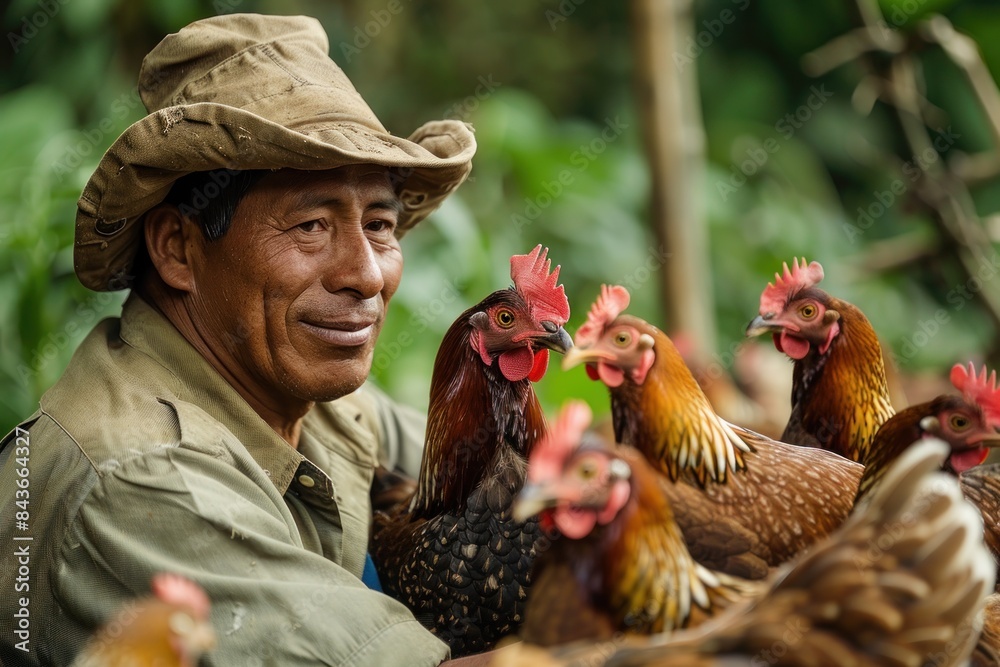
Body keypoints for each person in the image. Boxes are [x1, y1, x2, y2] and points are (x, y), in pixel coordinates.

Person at [0, 13, 493, 666]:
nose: (367, 275)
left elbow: (510, 476)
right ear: (178, 248)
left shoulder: (301, 392)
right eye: (311, 225)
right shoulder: (140, 480)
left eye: (379, 223)